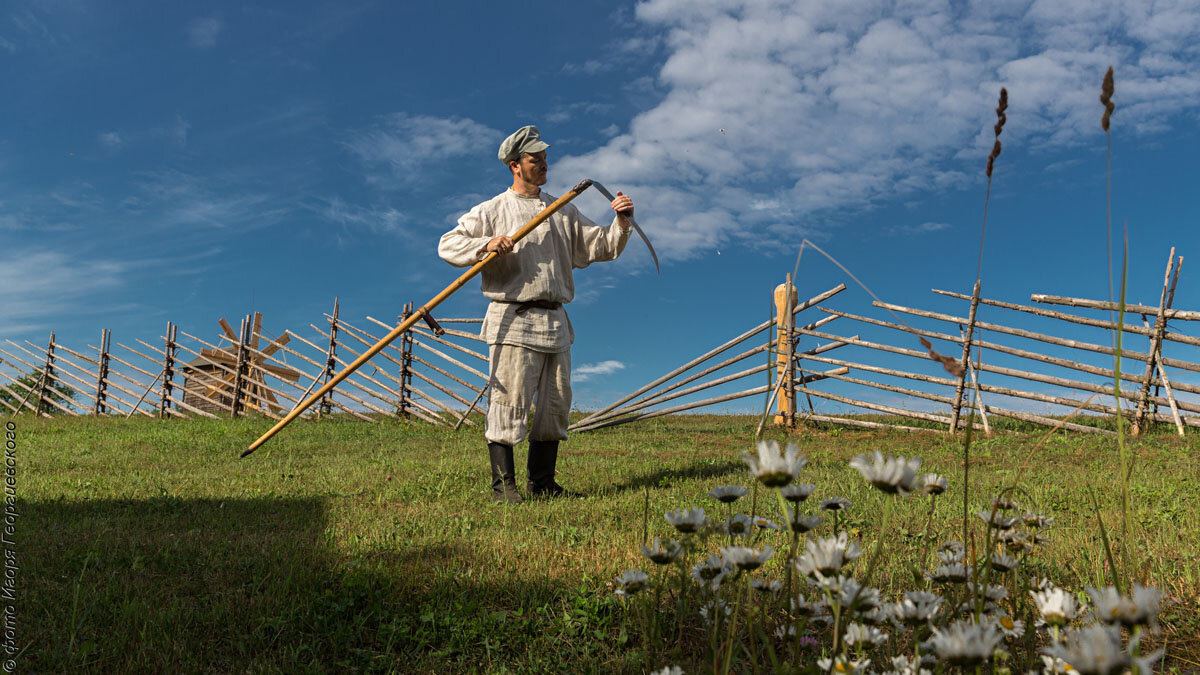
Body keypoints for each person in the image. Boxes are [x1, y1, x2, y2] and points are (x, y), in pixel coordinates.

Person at [438, 125, 634, 504]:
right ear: (515, 165)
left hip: (556, 321)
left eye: (545, 157)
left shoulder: (562, 209)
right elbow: (449, 244)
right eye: (535, 159)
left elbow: (601, 246)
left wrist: (622, 221)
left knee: (555, 405)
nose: (544, 163)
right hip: (514, 319)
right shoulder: (493, 210)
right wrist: (487, 243)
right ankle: (503, 487)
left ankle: (543, 484)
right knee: (509, 401)